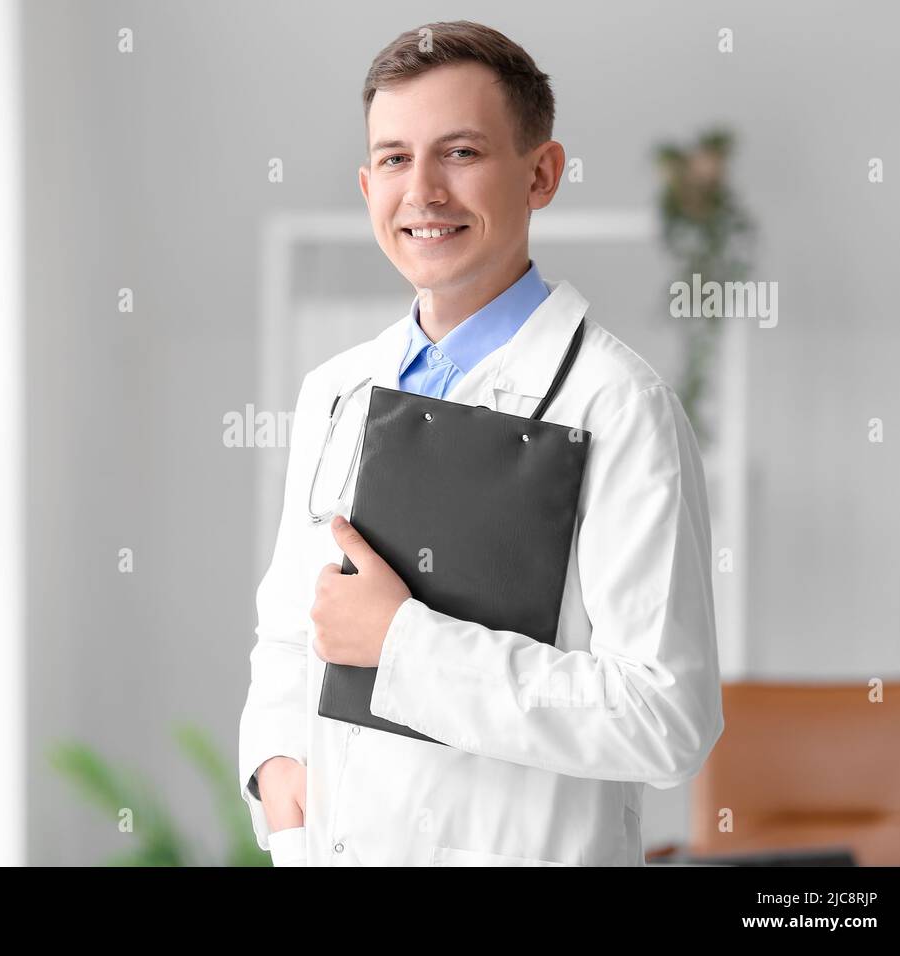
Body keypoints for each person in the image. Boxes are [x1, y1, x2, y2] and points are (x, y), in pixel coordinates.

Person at [238, 20, 724, 867]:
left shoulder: (619, 405)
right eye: (394, 159)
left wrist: (403, 645)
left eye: (459, 153)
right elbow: (290, 635)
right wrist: (279, 776)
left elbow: (667, 717)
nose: (422, 191)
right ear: (366, 185)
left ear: (541, 174)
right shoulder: (335, 392)